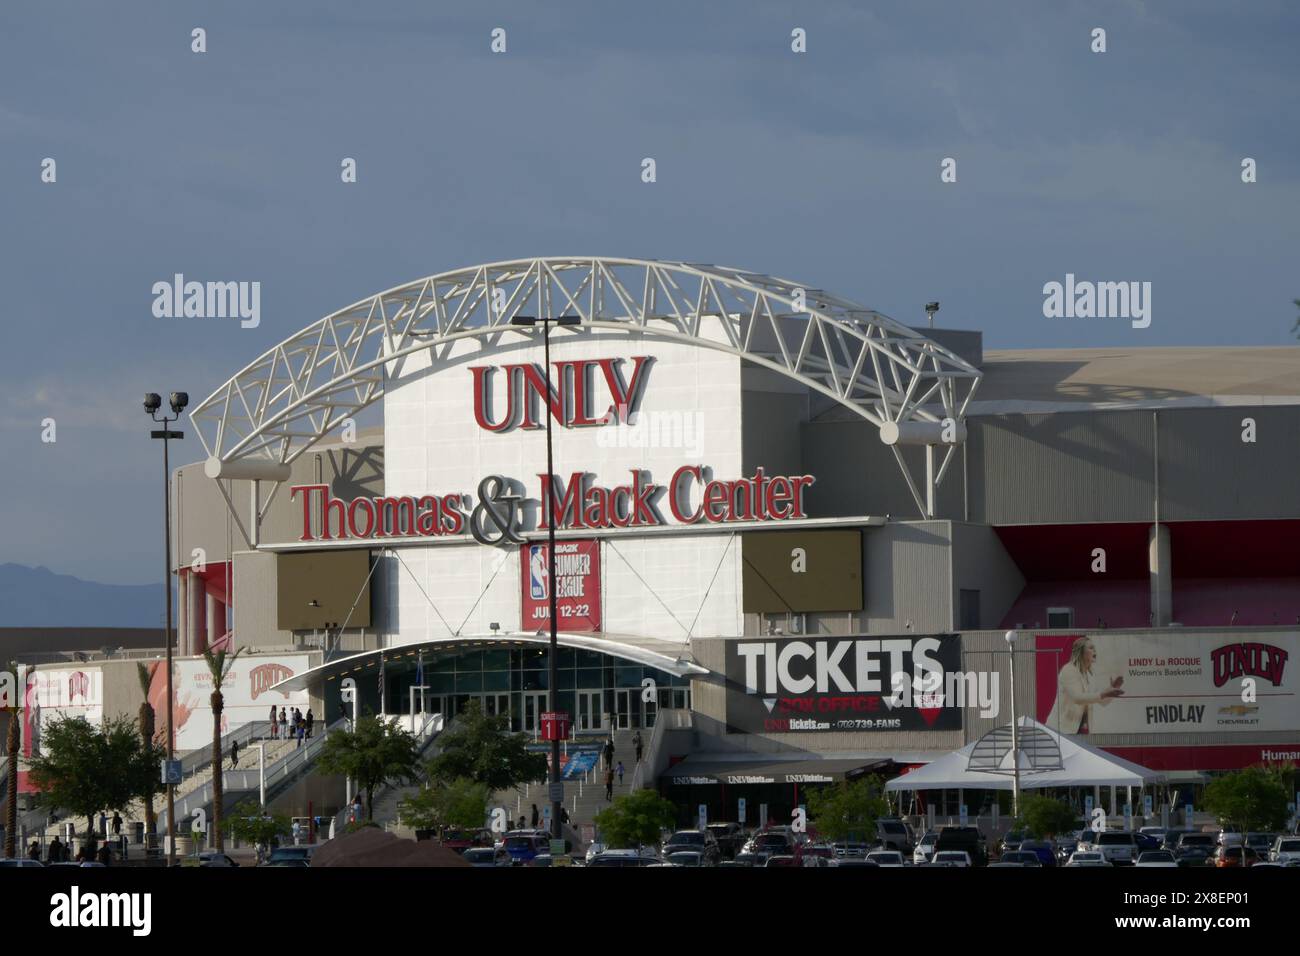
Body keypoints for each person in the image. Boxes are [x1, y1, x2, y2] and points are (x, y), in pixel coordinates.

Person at [1045, 635, 1124, 734]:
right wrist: (1104, 693)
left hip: (1075, 732)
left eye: (1094, 648)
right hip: (1058, 730)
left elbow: (1102, 701)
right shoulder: (1069, 670)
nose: (1095, 650)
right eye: (1091, 648)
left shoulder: (1089, 675)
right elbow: (1077, 698)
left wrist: (1112, 690)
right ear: (1081, 651)